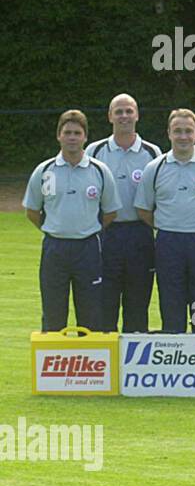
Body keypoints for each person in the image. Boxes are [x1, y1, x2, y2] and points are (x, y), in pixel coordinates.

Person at [134, 109, 195, 333]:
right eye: (177, 131)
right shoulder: (155, 167)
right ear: (168, 133)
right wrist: (167, 225)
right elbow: (143, 209)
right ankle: (176, 344)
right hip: (169, 243)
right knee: (172, 296)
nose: (183, 136)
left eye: (188, 131)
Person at [24, 110, 120, 332]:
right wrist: (54, 228)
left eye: (77, 132)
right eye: (67, 132)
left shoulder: (99, 170)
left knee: (90, 312)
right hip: (55, 248)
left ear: (85, 137)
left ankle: (87, 363)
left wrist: (86, 228)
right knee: (53, 310)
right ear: (59, 136)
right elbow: (32, 211)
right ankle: (54, 363)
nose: (72, 137)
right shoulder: (45, 171)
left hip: (88, 248)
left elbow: (110, 212)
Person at [87, 93, 161, 333]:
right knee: (104, 303)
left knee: (137, 305)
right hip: (107, 234)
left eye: (129, 111)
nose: (124, 116)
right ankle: (105, 365)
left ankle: (133, 368)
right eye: (118, 111)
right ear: (110, 117)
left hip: (140, 234)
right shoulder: (95, 151)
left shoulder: (152, 152)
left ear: (137, 115)